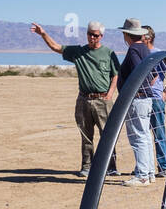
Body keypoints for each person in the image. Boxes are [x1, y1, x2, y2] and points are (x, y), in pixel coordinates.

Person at [31, 20, 120, 176]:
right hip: (84, 99)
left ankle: (111, 167)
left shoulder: (108, 53)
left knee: (107, 135)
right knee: (86, 135)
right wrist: (43, 34)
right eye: (89, 34)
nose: (92, 38)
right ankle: (87, 166)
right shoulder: (78, 52)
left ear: (101, 36)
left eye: (95, 35)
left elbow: (115, 75)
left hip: (103, 100)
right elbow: (56, 47)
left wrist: (110, 94)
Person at [116, 18, 156, 186]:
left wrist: (134, 90)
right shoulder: (145, 49)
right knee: (145, 135)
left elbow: (138, 72)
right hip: (146, 98)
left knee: (137, 136)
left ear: (127, 35)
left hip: (137, 98)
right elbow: (153, 74)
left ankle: (142, 175)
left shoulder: (133, 50)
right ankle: (149, 172)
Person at [142, 25, 166, 175]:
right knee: (143, 134)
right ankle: (146, 167)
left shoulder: (159, 54)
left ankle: (163, 166)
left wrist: (165, 90)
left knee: (159, 132)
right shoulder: (140, 54)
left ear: (147, 38)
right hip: (142, 98)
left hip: (155, 98)